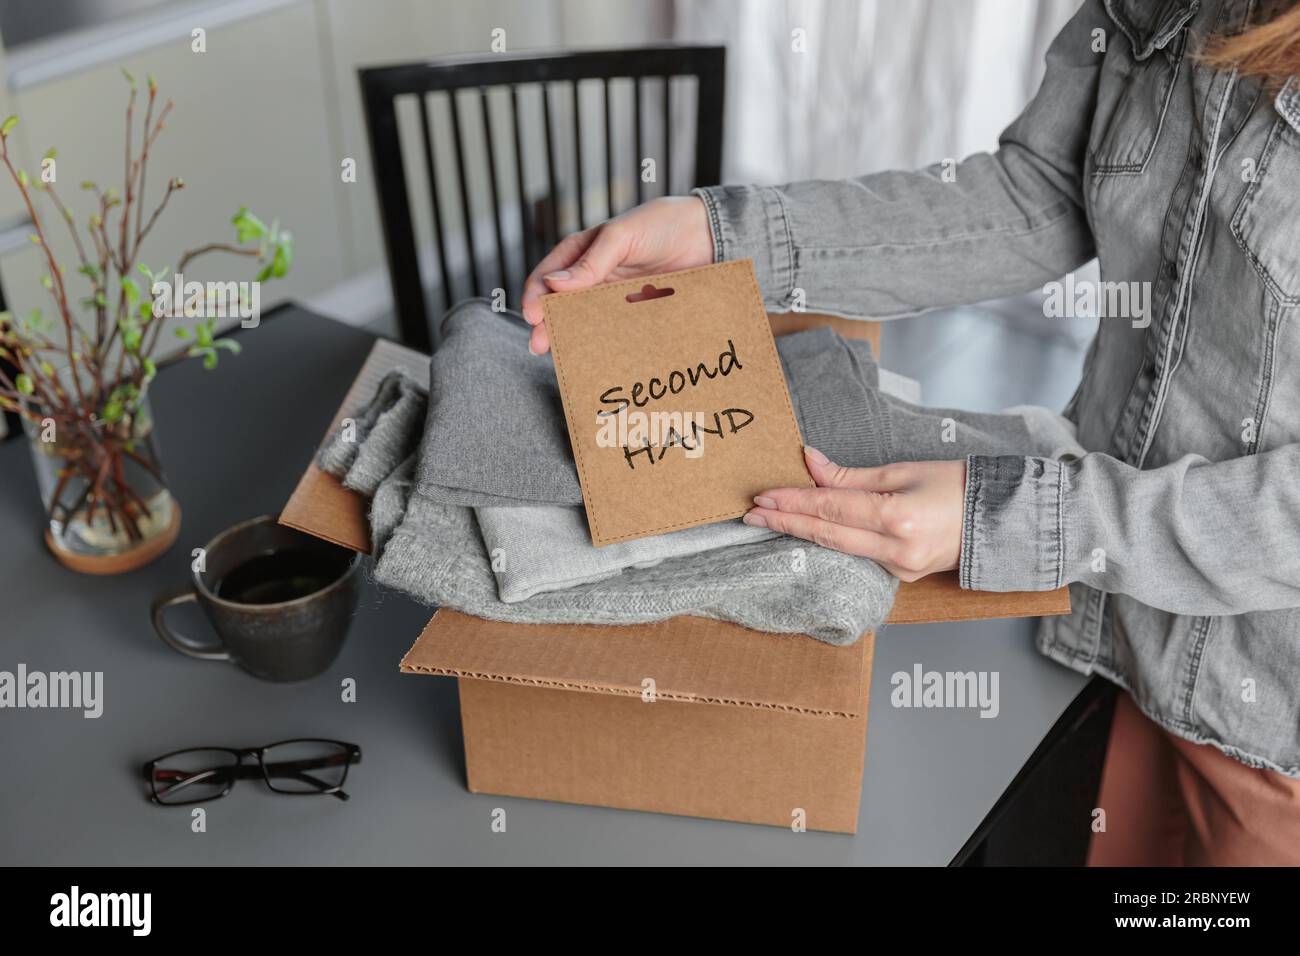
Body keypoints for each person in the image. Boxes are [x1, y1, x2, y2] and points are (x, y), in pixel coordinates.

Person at [519, 0, 1300, 865]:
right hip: (1105, 633)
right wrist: (724, 234)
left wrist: (1019, 520)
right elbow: (1041, 193)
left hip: (1271, 724)